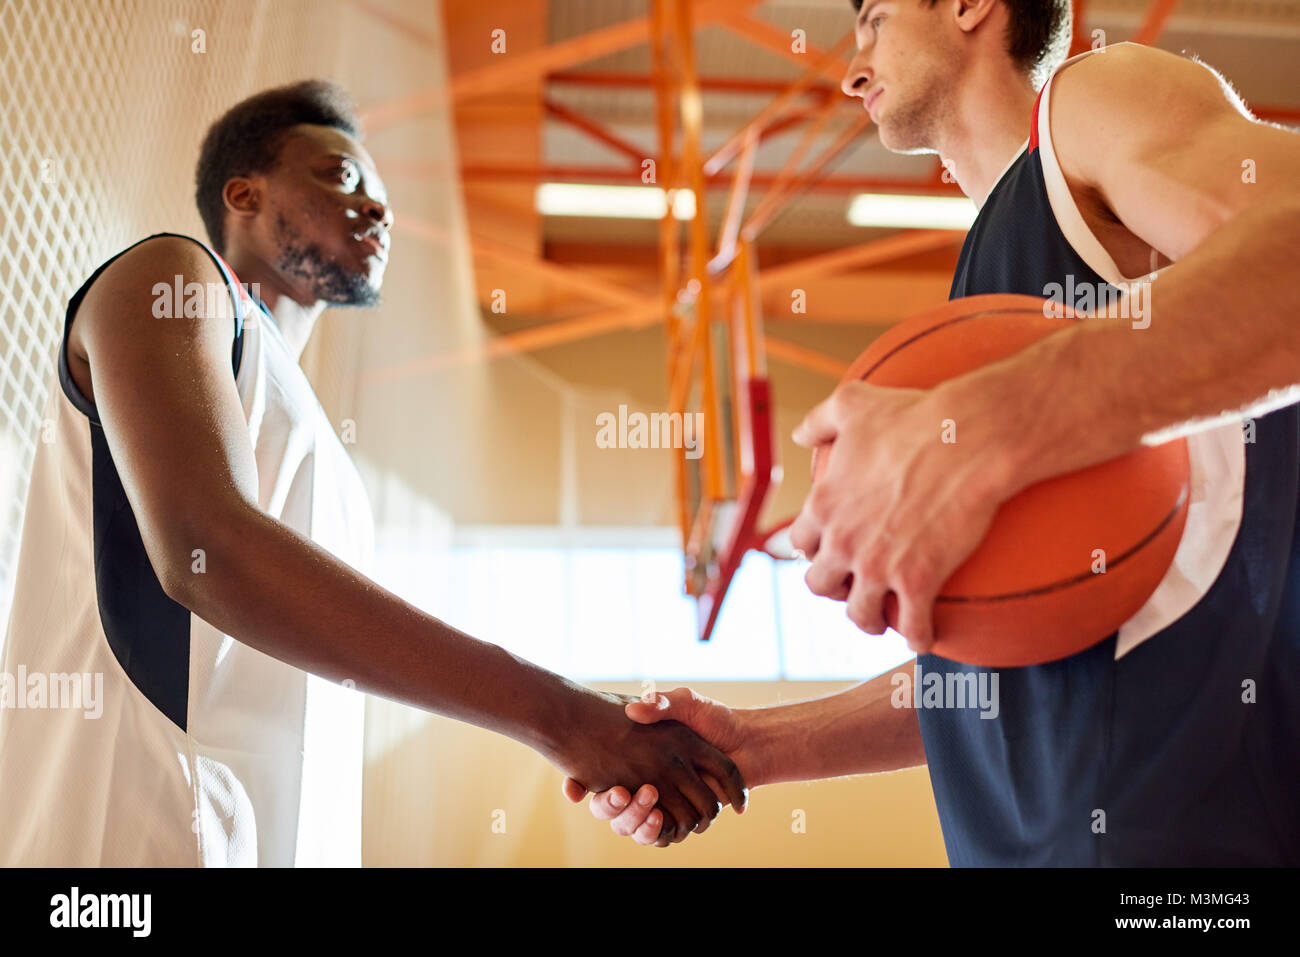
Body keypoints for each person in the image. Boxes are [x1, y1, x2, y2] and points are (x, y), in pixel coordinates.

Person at [569, 0, 1300, 865]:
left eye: (874, 19)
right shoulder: (983, 288)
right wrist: (754, 745)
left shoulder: (1091, 105)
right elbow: (1011, 652)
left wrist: (988, 422)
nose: (852, 68)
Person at [0, 80, 744, 866]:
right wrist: (563, 716)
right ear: (244, 193)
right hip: (113, 843)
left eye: (384, 195)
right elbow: (207, 551)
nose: (379, 208)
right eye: (343, 177)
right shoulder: (169, 278)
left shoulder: (310, 430)